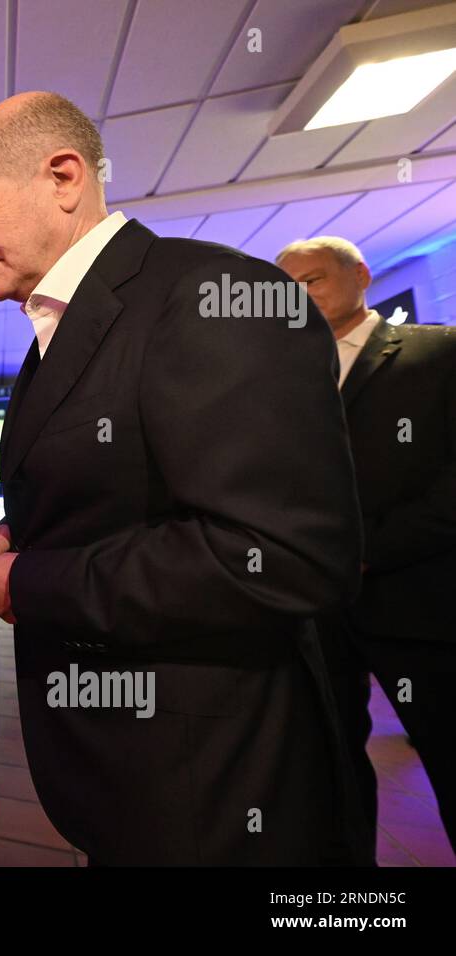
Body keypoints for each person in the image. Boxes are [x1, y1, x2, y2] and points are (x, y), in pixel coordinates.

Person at [0, 91, 367, 864]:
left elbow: (279, 556)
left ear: (64, 177)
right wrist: (21, 535)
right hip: (127, 779)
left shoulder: (218, 301)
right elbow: (119, 500)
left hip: (211, 789)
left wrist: (29, 581)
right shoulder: (55, 338)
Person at [278, 235, 456, 858]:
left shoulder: (440, 352)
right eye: (286, 287)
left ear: (360, 275)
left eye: (312, 280)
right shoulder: (281, 382)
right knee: (331, 777)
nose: (297, 297)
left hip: (422, 609)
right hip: (318, 615)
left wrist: (364, 551)